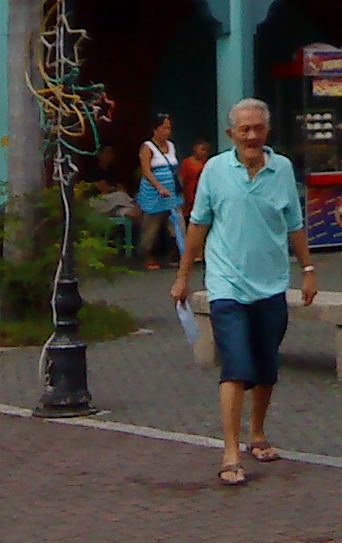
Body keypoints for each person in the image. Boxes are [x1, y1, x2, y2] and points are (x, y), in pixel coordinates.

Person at [172, 99, 317, 487]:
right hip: (226, 285)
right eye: (244, 129)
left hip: (271, 283)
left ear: (267, 131)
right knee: (236, 364)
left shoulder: (282, 168)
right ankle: (231, 450)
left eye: (258, 128)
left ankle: (258, 432)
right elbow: (198, 225)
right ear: (230, 134)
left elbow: (294, 223)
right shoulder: (216, 171)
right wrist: (183, 276)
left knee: (267, 363)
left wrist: (308, 270)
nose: (251, 136)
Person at [135, 113, 183, 269]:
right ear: (155, 129)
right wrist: (159, 187)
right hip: (154, 193)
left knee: (177, 223)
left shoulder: (171, 145)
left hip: (171, 192)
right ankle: (146, 256)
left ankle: (181, 253)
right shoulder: (147, 147)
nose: (167, 131)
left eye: (169, 128)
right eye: (164, 128)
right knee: (151, 226)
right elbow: (146, 170)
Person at [179, 139, 212, 219]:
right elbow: (181, 180)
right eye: (202, 149)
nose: (204, 153)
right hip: (189, 197)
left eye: (207, 151)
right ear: (195, 148)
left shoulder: (208, 163)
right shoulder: (187, 163)